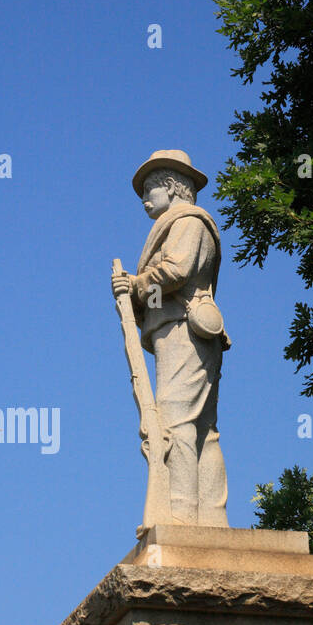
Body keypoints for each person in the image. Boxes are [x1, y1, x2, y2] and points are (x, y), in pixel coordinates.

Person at [112, 150, 229, 526]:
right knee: (201, 430)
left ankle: (180, 515)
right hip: (180, 330)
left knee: (176, 421)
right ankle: (209, 518)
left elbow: (175, 271)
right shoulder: (182, 223)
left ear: (173, 187)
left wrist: (135, 284)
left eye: (150, 189)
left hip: (182, 328)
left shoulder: (188, 222)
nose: (145, 199)